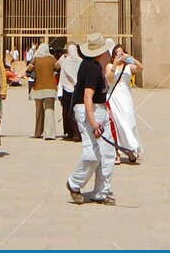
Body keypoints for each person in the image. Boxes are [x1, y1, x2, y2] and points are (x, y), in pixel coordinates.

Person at [65, 33, 117, 205]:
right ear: (101, 53)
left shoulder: (96, 66)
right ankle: (74, 183)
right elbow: (87, 97)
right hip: (88, 111)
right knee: (92, 153)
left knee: (107, 152)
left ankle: (102, 191)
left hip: (99, 110)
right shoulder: (92, 68)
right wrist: (94, 123)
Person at [107, 44, 143, 164]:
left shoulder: (128, 67)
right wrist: (115, 64)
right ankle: (116, 153)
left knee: (129, 124)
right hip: (114, 98)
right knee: (117, 126)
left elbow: (141, 68)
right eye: (117, 52)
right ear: (113, 54)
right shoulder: (110, 66)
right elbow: (109, 79)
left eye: (122, 52)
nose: (120, 54)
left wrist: (130, 58)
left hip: (126, 98)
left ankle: (130, 149)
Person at [29, 39, 60, 140]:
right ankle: (49, 133)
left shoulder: (36, 59)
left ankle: (38, 132)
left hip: (37, 88)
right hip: (50, 89)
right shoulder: (52, 59)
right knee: (49, 111)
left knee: (39, 112)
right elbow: (58, 68)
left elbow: (28, 70)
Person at [58, 41, 83, 141]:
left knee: (67, 112)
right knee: (77, 112)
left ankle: (71, 133)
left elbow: (61, 75)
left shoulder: (65, 61)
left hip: (67, 90)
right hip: (78, 90)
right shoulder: (81, 61)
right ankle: (78, 133)